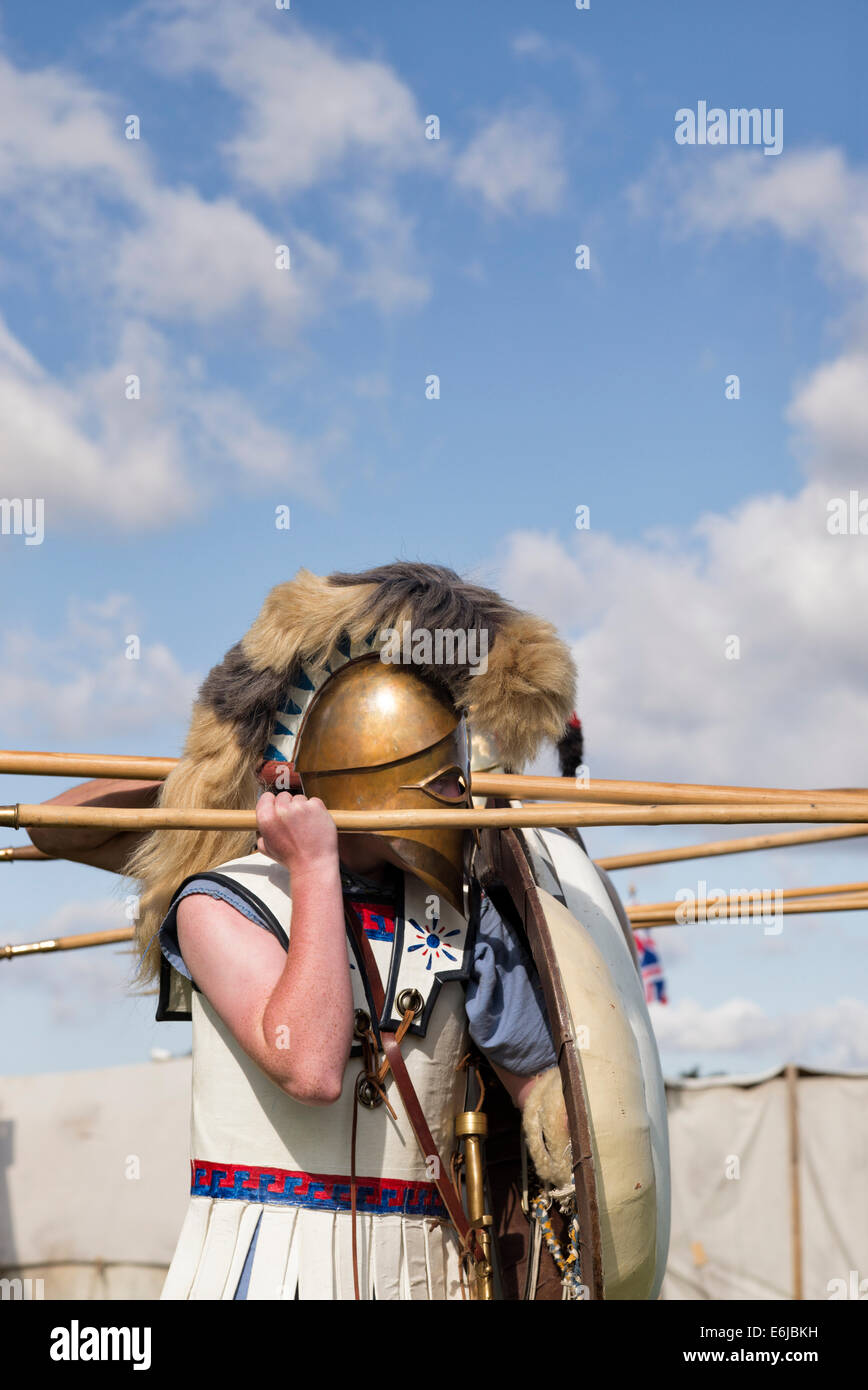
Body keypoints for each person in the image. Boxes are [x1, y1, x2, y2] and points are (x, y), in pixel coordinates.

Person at [130, 562, 577, 1300]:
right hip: (273, 1263)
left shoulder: (463, 912)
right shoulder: (220, 900)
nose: (456, 796)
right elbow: (307, 1067)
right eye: (438, 777)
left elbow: (548, 1103)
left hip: (425, 1270)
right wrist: (312, 867)